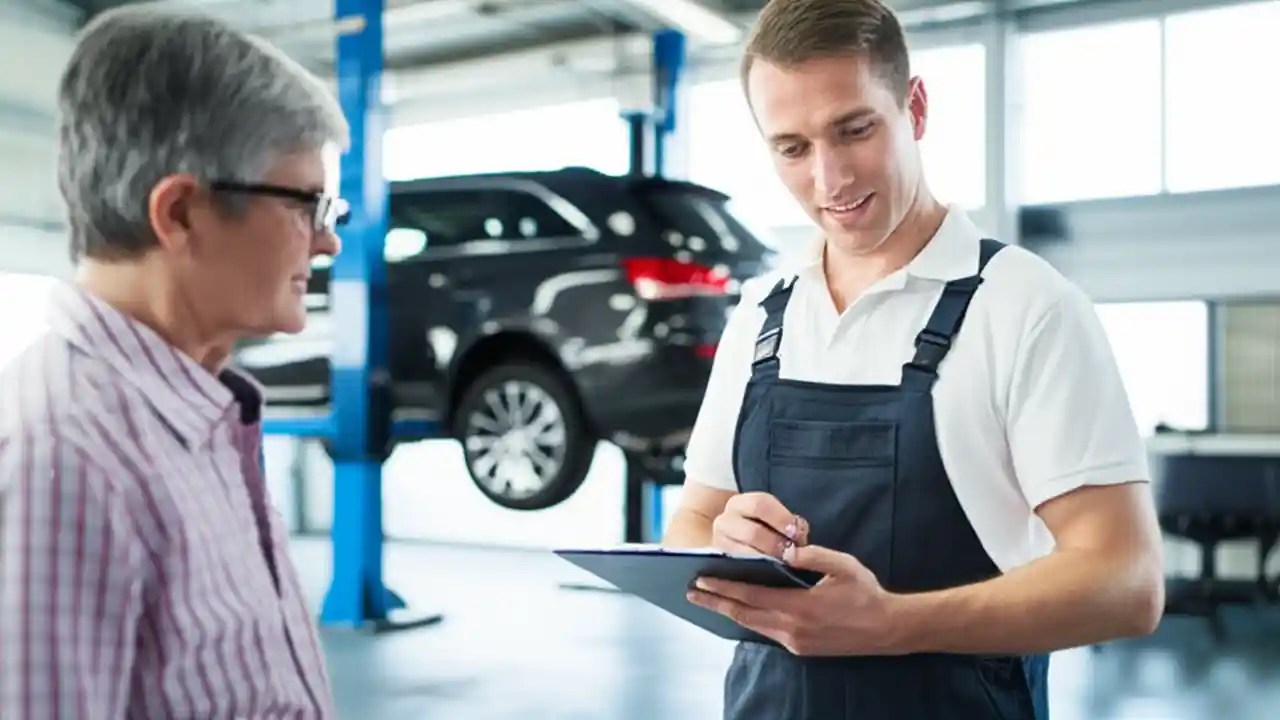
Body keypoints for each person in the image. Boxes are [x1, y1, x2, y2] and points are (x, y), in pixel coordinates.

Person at [662, 0, 1165, 718]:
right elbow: (692, 520)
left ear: (915, 107)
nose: (830, 180)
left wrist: (891, 624)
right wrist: (723, 542)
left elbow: (1127, 579)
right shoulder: (762, 315)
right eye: (792, 148)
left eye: (855, 129)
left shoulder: (1024, 305)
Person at [0, 8, 348, 718]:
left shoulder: (198, 417)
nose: (326, 244)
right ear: (182, 212)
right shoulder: (65, 457)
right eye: (306, 205)